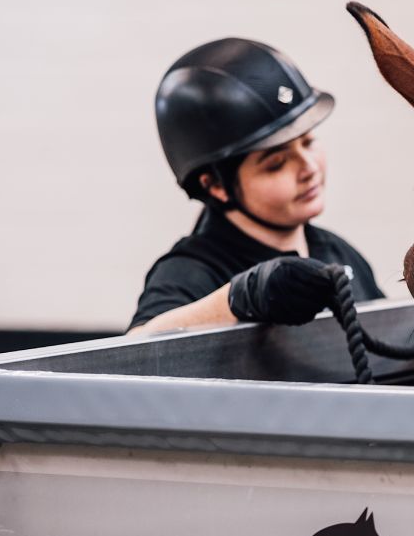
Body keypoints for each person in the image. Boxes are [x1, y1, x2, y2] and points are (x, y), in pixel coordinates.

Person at [130, 37, 384, 334]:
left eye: (308, 142)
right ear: (215, 185)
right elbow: (135, 346)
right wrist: (239, 299)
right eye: (277, 163)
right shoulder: (188, 272)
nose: (309, 168)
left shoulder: (338, 252)